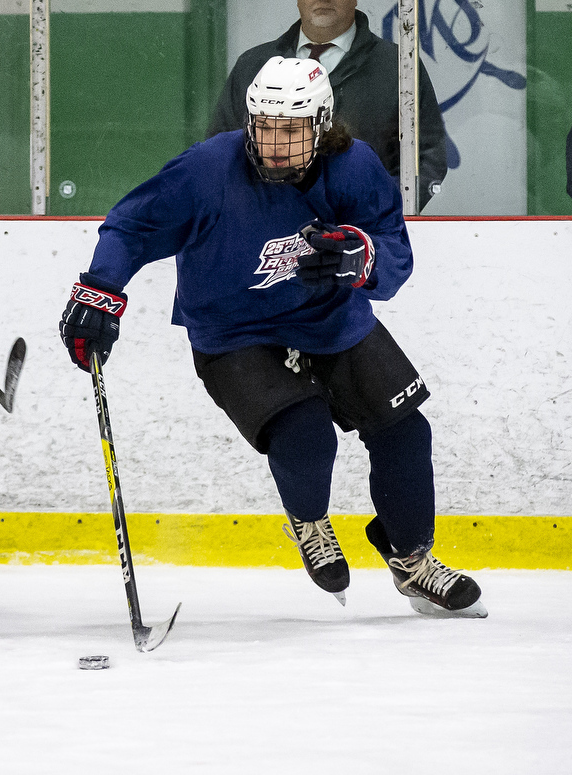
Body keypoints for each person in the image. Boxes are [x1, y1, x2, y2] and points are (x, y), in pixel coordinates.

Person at [60, 56, 486, 618]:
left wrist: (363, 257)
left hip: (332, 320)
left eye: (291, 129)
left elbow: (395, 253)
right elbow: (133, 225)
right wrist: (98, 290)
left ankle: (412, 561)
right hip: (234, 331)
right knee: (305, 431)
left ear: (323, 124)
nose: (276, 143)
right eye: (265, 127)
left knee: (406, 432)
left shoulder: (354, 168)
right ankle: (309, 522)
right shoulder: (207, 170)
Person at [207, 0, 447, 212]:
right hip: (265, 230)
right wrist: (256, 212)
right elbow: (222, 151)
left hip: (363, 231)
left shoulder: (399, 66)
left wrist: (376, 211)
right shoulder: (253, 65)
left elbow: (427, 157)